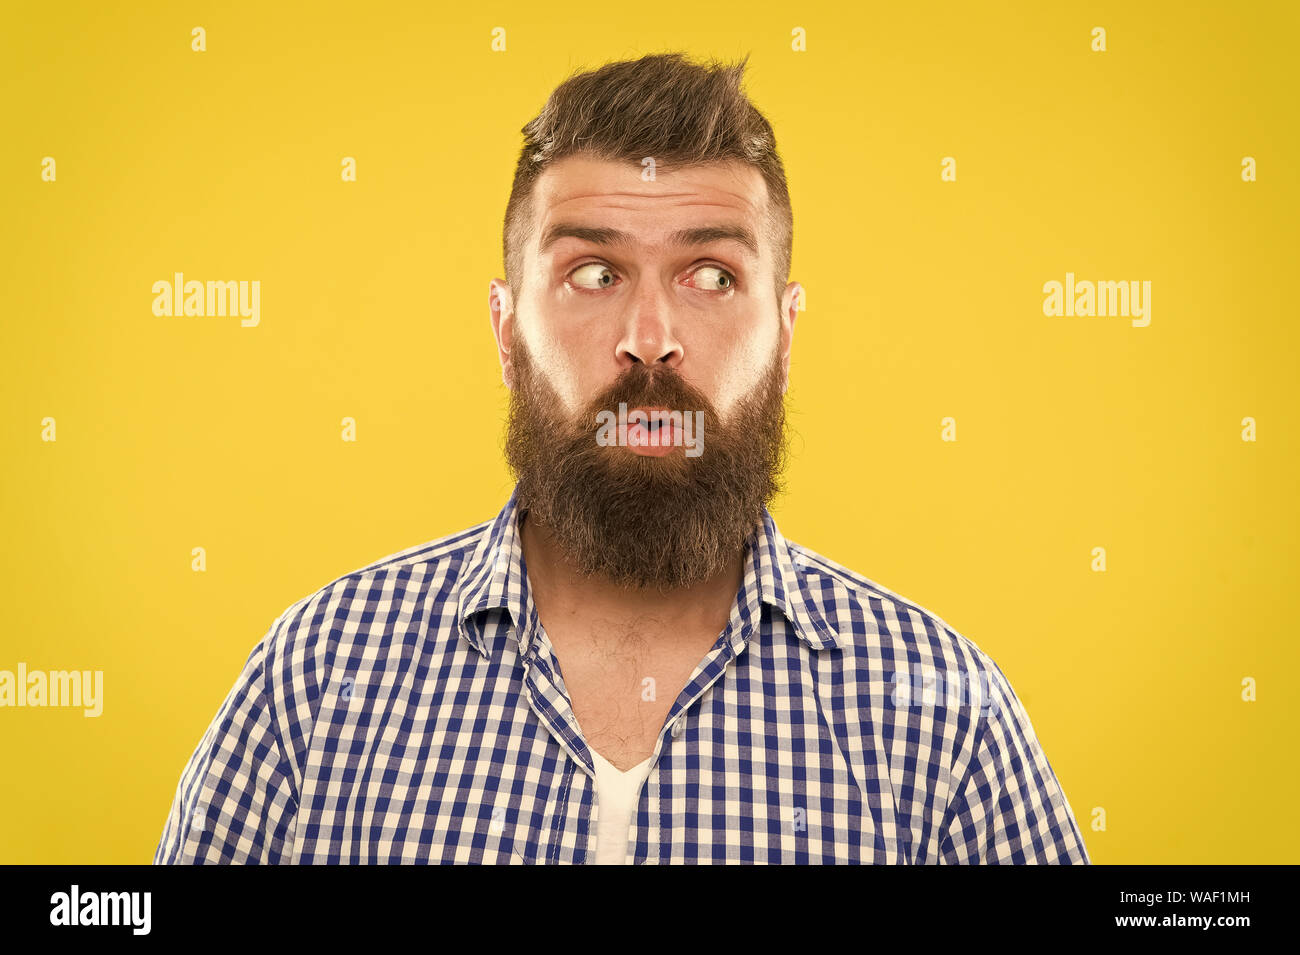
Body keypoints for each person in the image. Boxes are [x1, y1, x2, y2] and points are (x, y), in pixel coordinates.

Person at [154, 51, 1089, 865]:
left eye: (712, 276)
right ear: (506, 330)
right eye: (594, 274)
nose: (650, 339)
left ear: (787, 333)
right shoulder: (317, 679)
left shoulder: (946, 720)